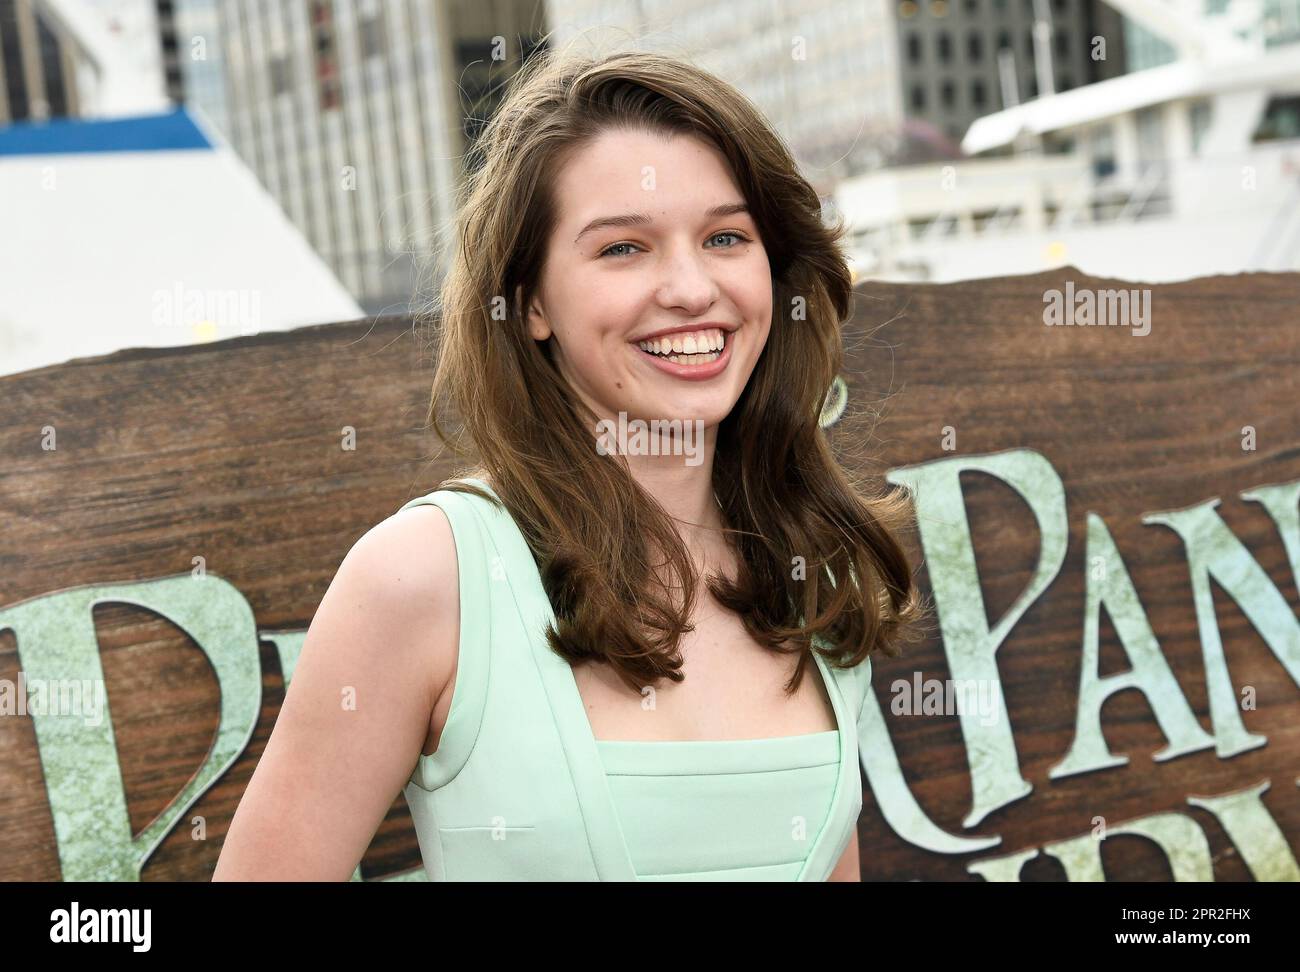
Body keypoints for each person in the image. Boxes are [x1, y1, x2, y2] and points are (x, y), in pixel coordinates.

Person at [214, 43, 924, 882]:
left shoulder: (809, 560)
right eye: (624, 248)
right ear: (532, 303)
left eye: (726, 236)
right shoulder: (424, 577)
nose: (693, 289)